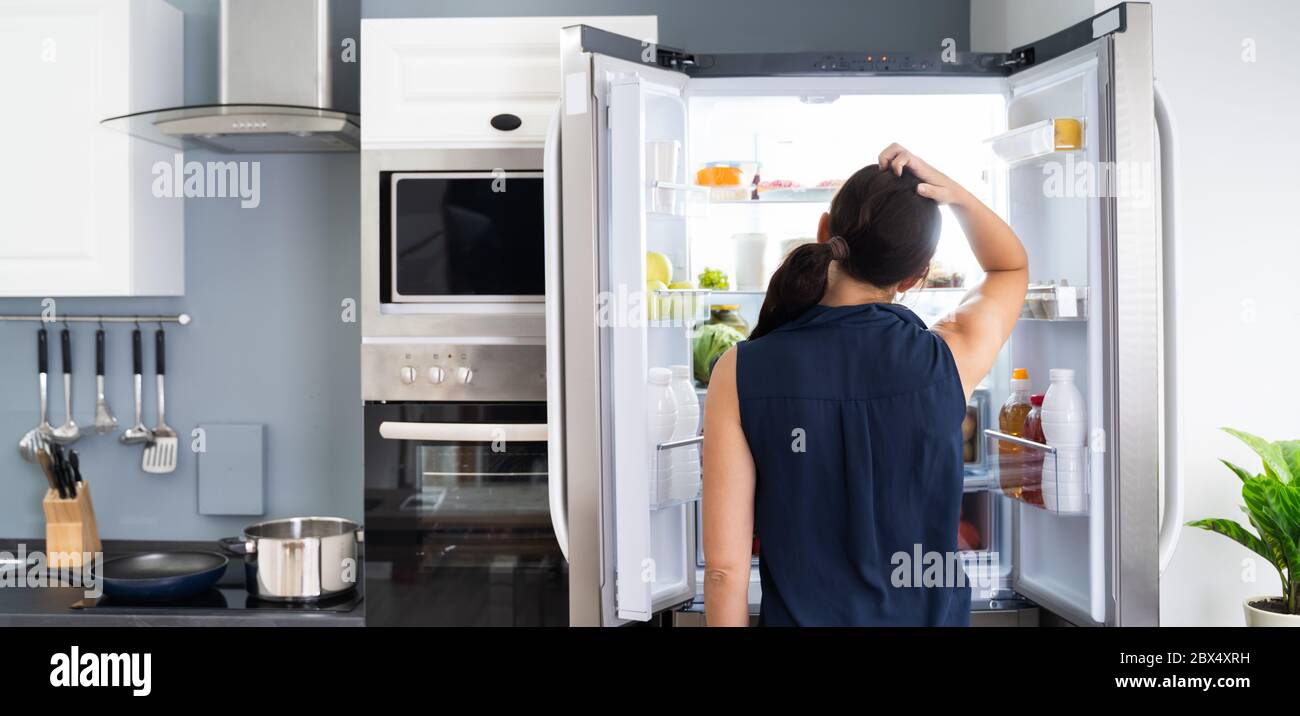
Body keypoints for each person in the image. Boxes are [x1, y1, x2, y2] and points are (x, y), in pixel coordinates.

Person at [702, 144, 1028, 626]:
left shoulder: (738, 369)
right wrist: (954, 193)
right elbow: (1009, 267)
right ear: (918, 274)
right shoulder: (949, 357)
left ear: (822, 231)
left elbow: (725, 573)